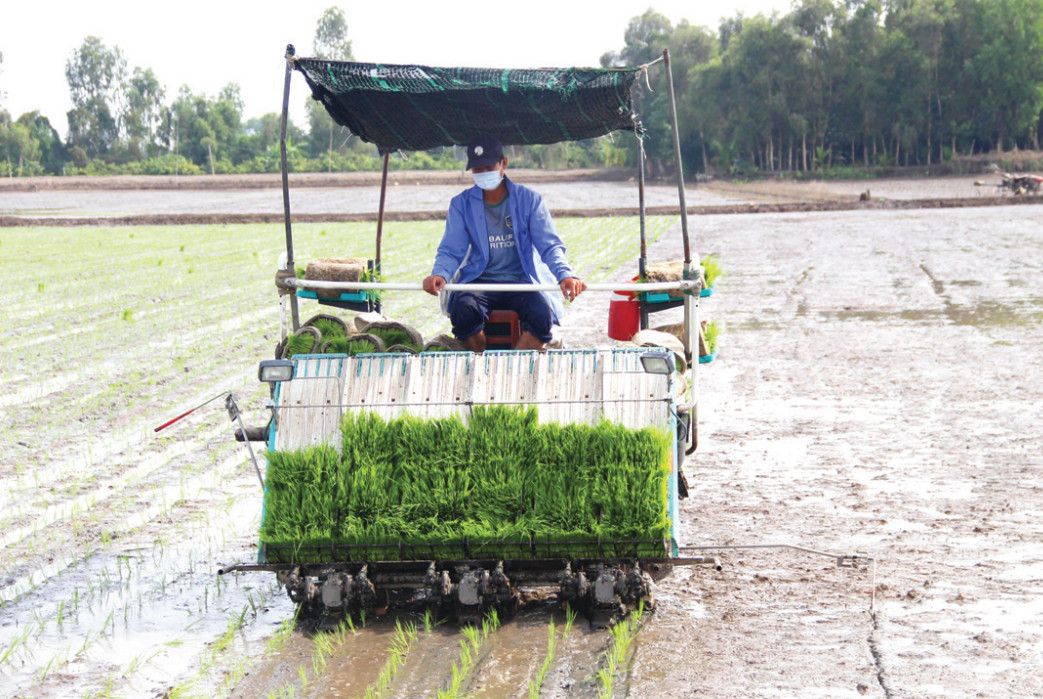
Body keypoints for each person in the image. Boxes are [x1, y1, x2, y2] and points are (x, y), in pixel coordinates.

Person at [422, 136, 586, 352]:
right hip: (481, 282)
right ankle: (482, 362)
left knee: (542, 317)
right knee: (463, 311)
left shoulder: (529, 201)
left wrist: (565, 275)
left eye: (488, 167)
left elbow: (549, 245)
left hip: (521, 282)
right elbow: (452, 250)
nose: (483, 174)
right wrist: (440, 274)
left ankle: (515, 365)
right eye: (477, 169)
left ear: (503, 164)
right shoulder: (461, 204)